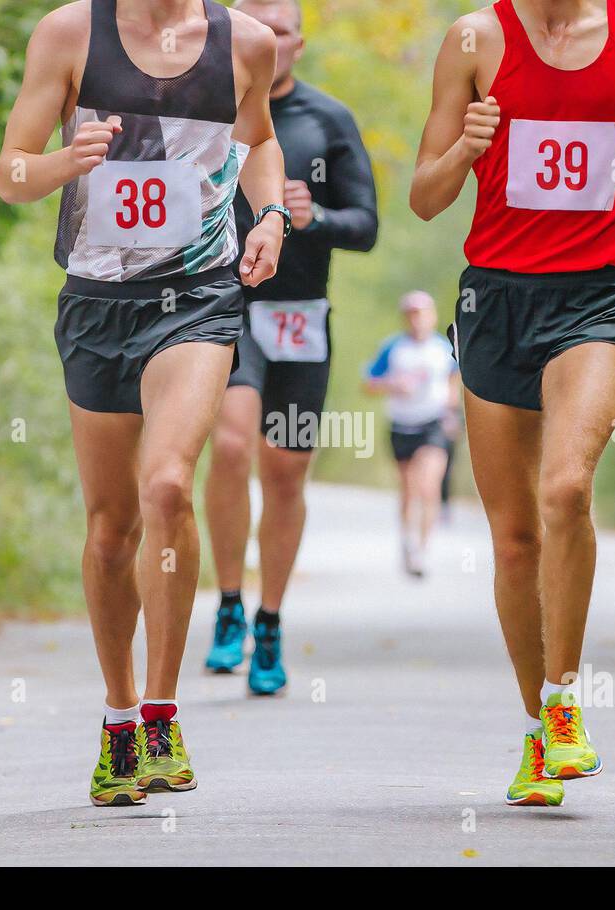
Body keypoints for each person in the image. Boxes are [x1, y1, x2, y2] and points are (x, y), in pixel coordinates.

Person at [410, 0, 615, 806]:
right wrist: (467, 148)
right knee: (513, 541)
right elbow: (424, 196)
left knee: (567, 489)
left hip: (595, 299)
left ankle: (565, 699)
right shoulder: (474, 39)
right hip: (495, 301)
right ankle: (538, 735)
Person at [0, 0, 289, 806]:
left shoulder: (246, 43)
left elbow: (259, 139)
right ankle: (119, 717)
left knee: (167, 486)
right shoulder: (68, 34)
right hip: (96, 303)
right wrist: (65, 162)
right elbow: (10, 171)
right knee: (111, 525)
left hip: (197, 297)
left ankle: (162, 713)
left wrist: (268, 218)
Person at [202, 0, 379, 694]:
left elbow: (366, 226)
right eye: (252, 26)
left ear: (297, 43)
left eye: (276, 30)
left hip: (301, 316)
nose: (264, 39)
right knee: (231, 445)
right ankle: (226, 605)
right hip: (224, 305)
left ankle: (269, 620)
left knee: (285, 468)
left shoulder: (327, 119)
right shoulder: (208, 107)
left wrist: (317, 217)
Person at [363, 291, 460, 578]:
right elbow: (369, 384)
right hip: (401, 425)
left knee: (428, 485)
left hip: (433, 424)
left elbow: (453, 381)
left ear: (432, 317)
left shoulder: (443, 348)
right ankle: (407, 540)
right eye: (411, 315)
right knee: (408, 488)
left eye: (421, 314)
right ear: (405, 318)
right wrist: (392, 385)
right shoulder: (393, 348)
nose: (416, 320)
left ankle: (422, 550)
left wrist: (451, 413)